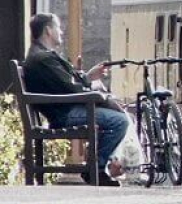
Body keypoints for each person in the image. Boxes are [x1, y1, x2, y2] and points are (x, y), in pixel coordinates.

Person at [23, 13, 127, 186]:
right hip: (64, 114)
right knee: (119, 121)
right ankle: (98, 169)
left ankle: (98, 167)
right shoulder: (43, 58)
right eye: (57, 27)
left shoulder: (42, 55)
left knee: (115, 116)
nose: (61, 31)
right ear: (48, 30)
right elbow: (70, 87)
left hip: (65, 109)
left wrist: (88, 77)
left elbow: (66, 82)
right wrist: (95, 92)